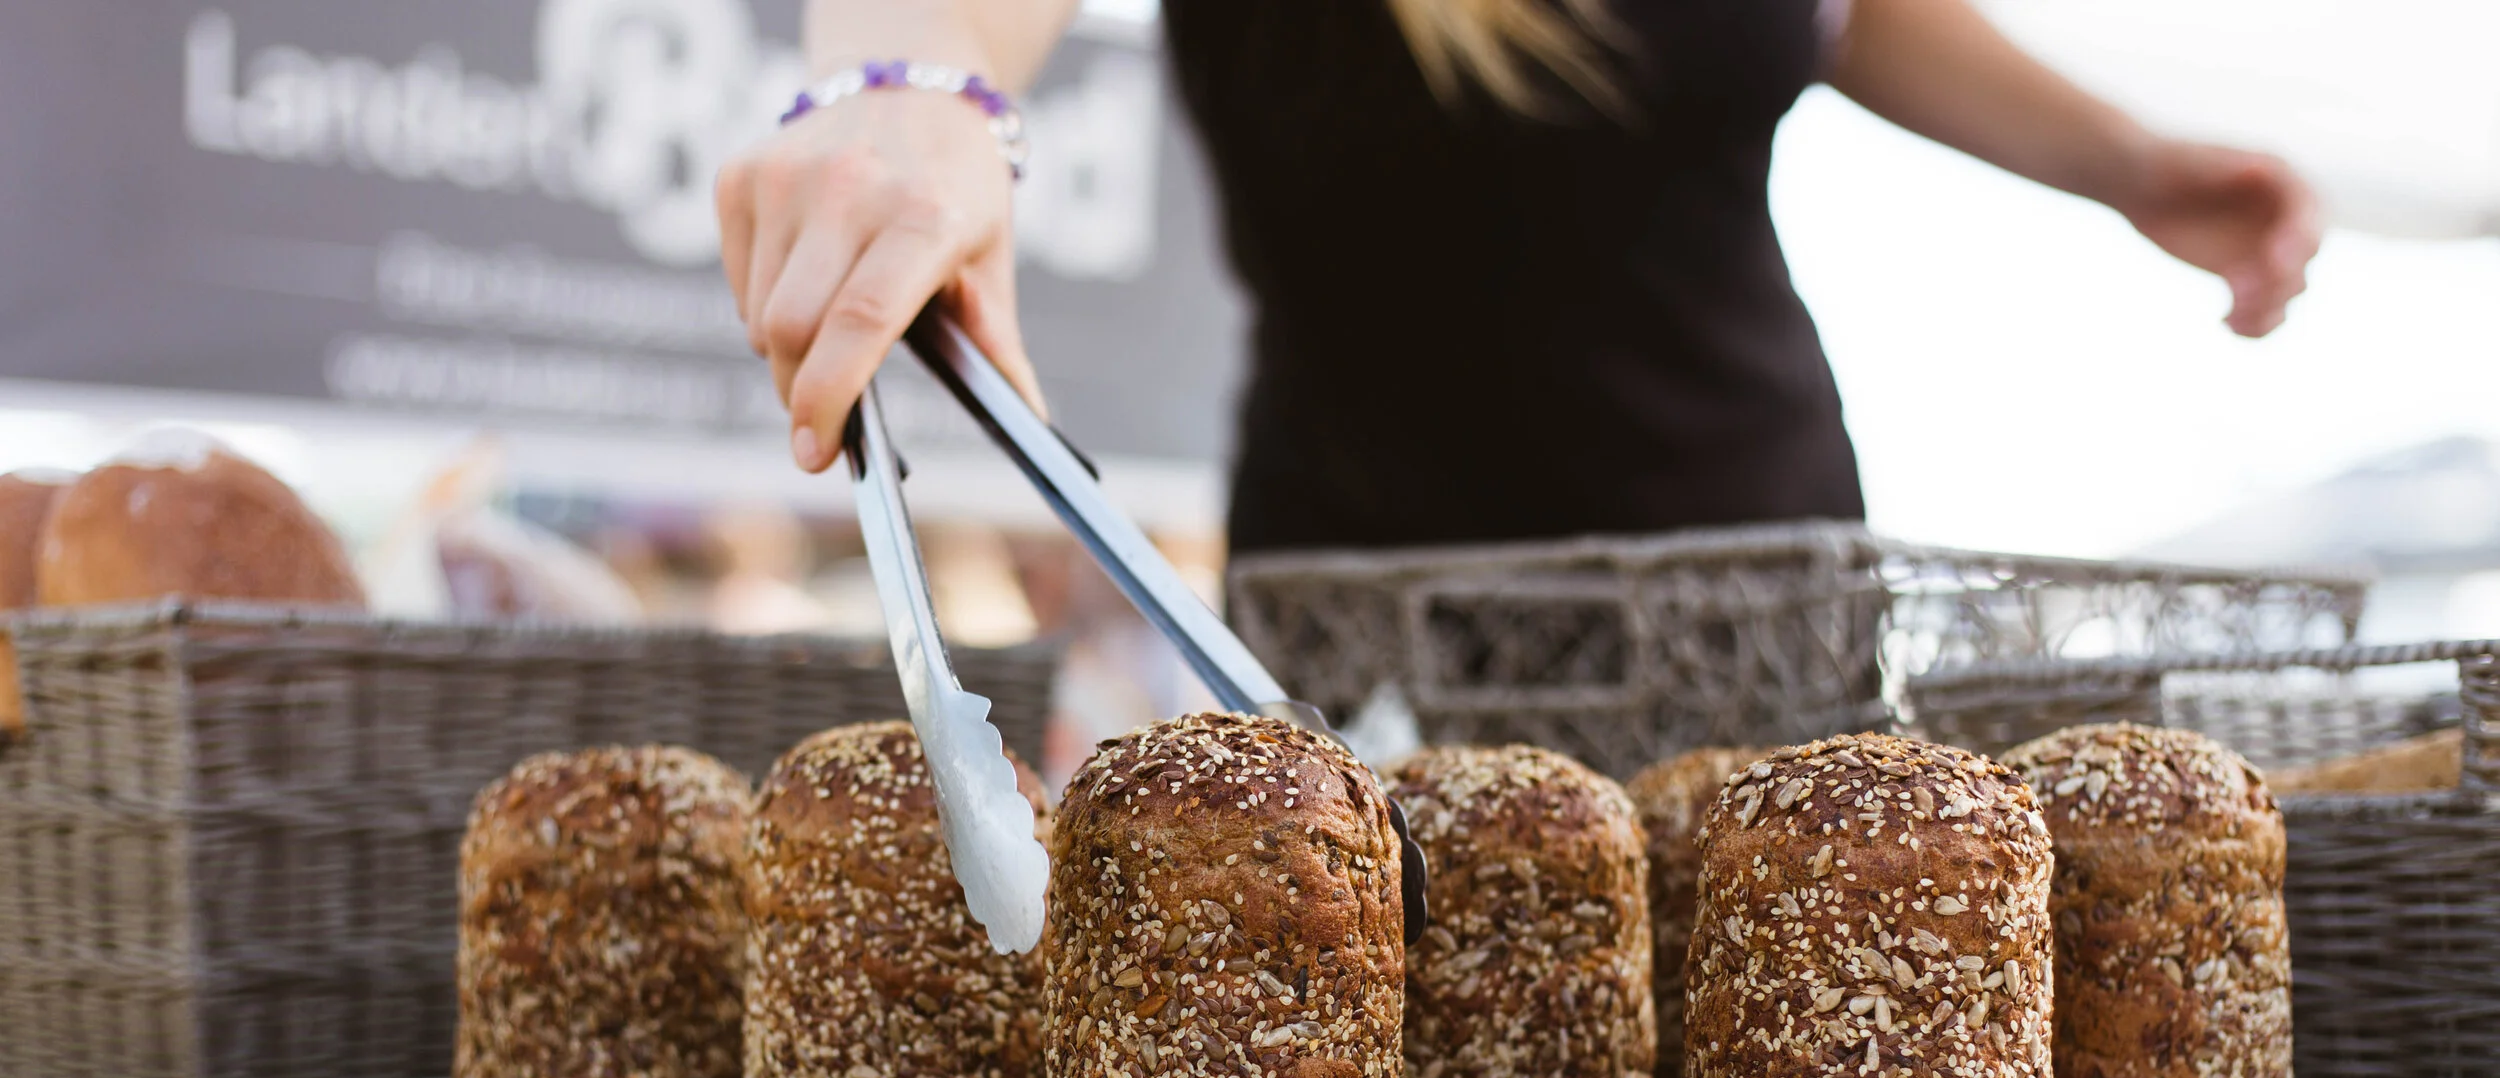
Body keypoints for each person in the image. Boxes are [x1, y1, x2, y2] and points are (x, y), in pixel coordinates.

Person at [718, 0, 2319, 554]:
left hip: (1753, 585)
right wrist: (912, 88)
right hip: (1389, 625)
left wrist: (2121, 163)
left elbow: (1834, 18)